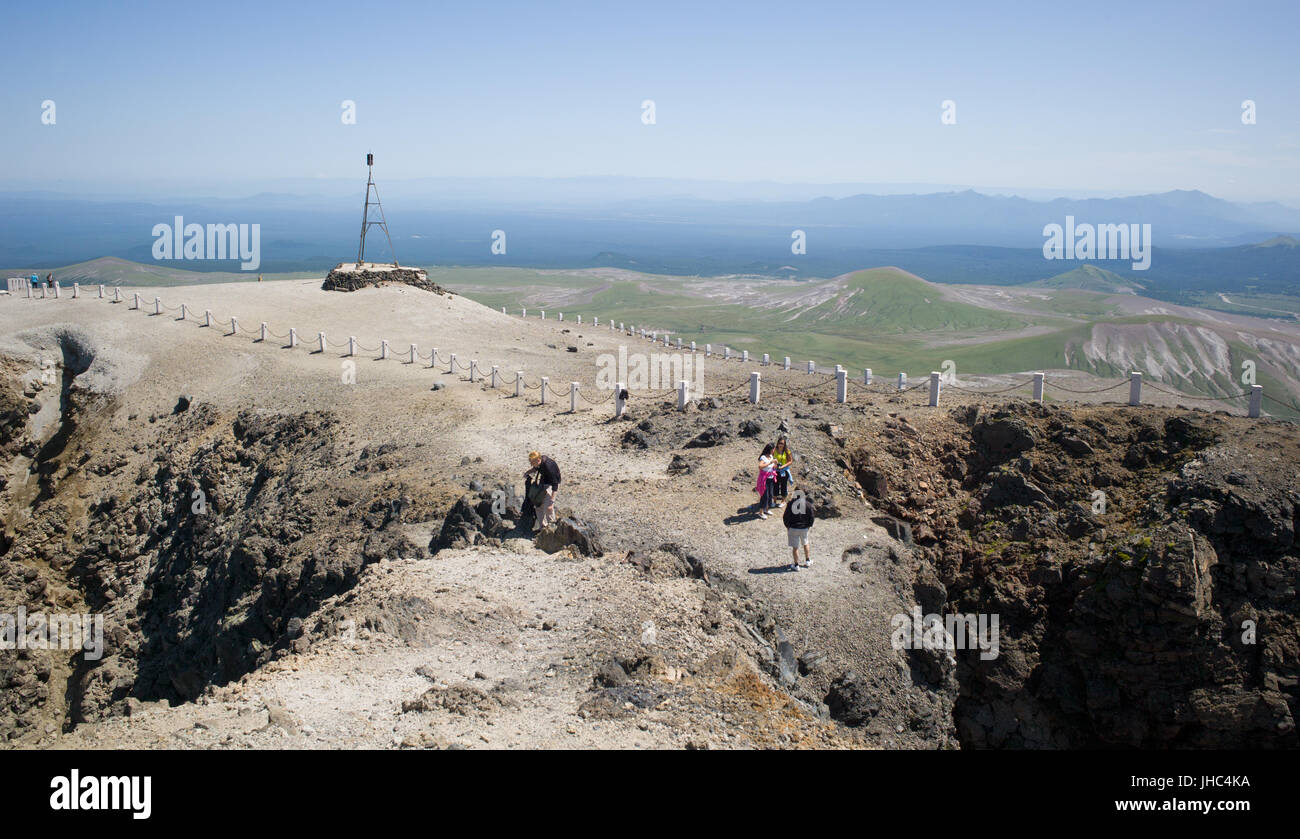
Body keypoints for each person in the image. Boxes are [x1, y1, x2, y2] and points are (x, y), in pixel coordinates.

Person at [526, 451, 561, 530]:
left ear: (538, 460)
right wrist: (528, 472)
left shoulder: (549, 466)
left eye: (532, 462)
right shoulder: (540, 461)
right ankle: (542, 527)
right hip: (543, 483)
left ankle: (552, 528)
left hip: (551, 485)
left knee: (548, 508)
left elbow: (555, 485)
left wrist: (552, 502)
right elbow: (536, 468)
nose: (531, 464)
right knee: (538, 506)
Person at [782, 489, 815, 570]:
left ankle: (796, 565)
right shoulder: (808, 504)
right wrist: (809, 526)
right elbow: (812, 516)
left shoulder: (790, 504)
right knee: (805, 543)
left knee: (795, 547)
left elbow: (785, 516)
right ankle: (807, 560)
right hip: (804, 528)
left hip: (793, 528)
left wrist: (787, 526)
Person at [755, 444, 777, 519]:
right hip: (764, 479)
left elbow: (772, 467)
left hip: (771, 477)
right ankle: (761, 512)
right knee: (765, 496)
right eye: (773, 449)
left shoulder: (771, 456)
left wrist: (775, 464)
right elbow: (760, 466)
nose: (774, 450)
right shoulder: (763, 457)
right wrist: (771, 462)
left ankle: (766, 510)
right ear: (770, 449)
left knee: (770, 494)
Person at [773, 436, 794, 503]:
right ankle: (774, 501)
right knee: (775, 486)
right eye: (779, 443)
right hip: (775, 471)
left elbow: (790, 461)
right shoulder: (774, 450)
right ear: (777, 443)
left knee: (783, 487)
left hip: (784, 471)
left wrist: (783, 466)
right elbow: (770, 458)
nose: (780, 445)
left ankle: (783, 501)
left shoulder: (787, 451)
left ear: (784, 444)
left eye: (782, 443)